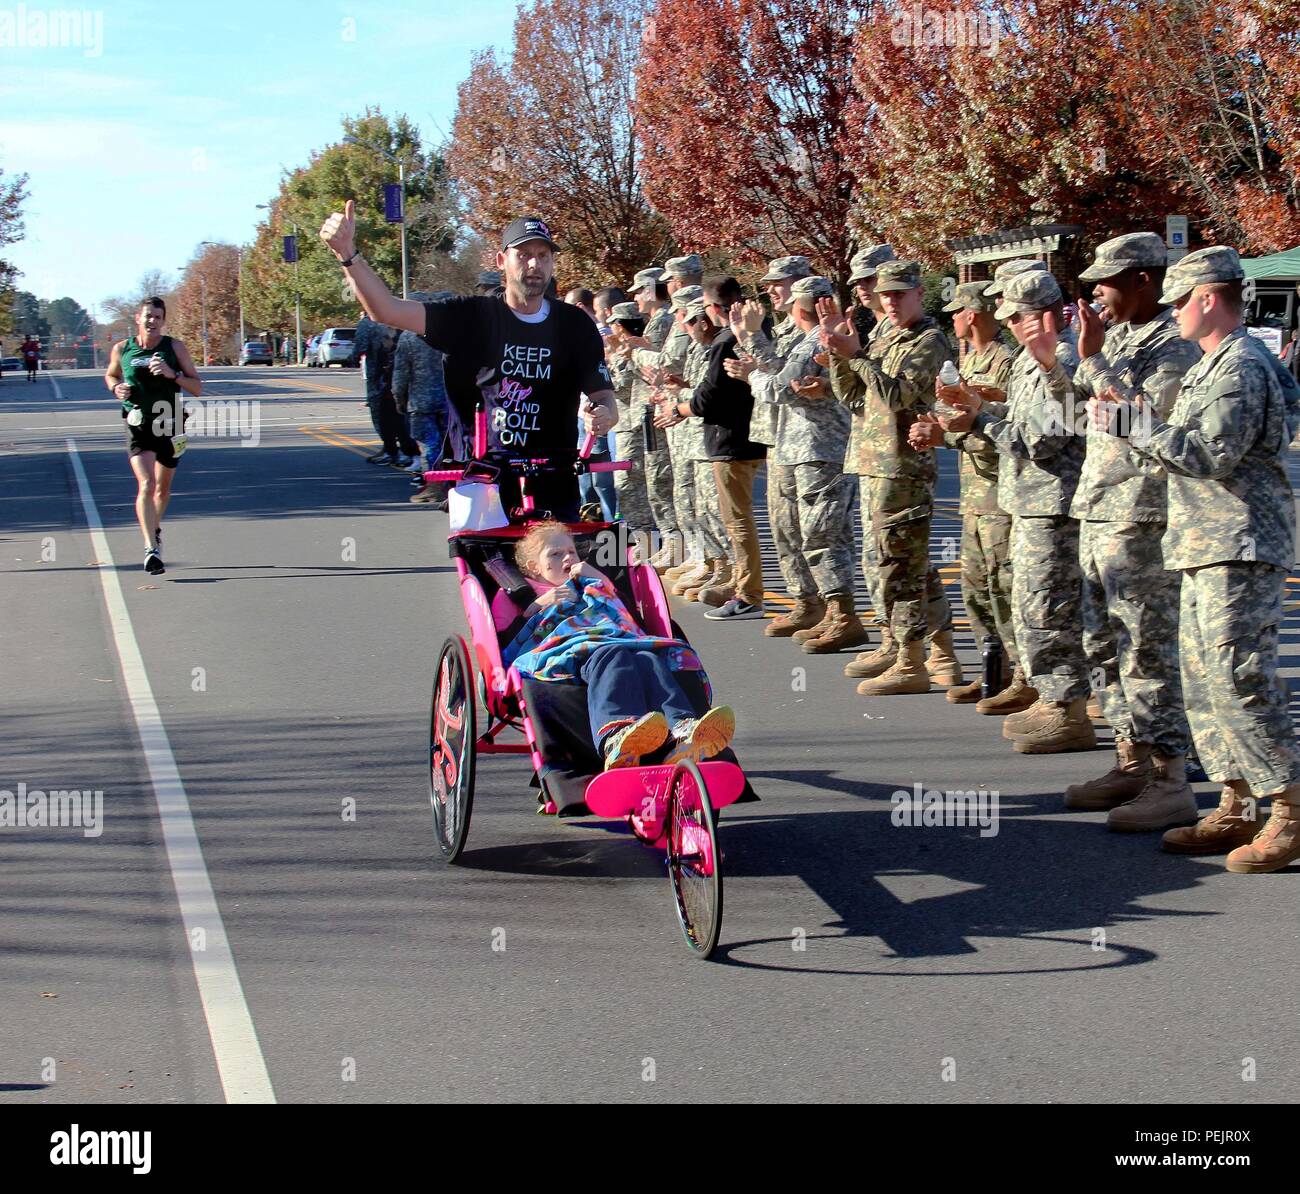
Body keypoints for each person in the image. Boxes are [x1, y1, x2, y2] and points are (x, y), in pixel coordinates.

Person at [1090, 246, 1300, 873]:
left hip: (1238, 543)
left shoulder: (1238, 366)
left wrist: (1133, 425)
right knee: (1206, 684)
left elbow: (1211, 454)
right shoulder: (1218, 364)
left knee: (1239, 676)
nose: (1174, 311)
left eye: (1180, 300)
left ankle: (1287, 806)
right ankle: (1236, 799)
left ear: (1209, 298)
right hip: (1205, 543)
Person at [319, 205, 616, 520]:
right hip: (482, 478)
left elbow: (604, 398)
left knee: (561, 567)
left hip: (553, 478)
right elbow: (387, 310)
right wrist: (348, 253)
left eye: (543, 255)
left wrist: (602, 416)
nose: (534, 264)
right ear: (502, 261)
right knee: (487, 569)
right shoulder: (471, 315)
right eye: (524, 254)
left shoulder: (574, 325)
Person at [1066, 232, 1203, 830]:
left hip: (1142, 515)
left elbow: (1148, 421)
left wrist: (1093, 360)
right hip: (1099, 507)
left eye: (1109, 278)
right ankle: (1131, 758)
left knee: (1146, 647)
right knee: (1103, 645)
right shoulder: (1116, 338)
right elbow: (1073, 409)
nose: (1098, 289)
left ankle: (1171, 776)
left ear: (1144, 280)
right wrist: (1076, 358)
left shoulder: (1173, 347)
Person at [940, 269, 1091, 749]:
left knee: (1052, 607)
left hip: (1054, 500)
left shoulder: (1060, 358)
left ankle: (1069, 712)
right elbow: (1023, 419)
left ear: (1044, 316)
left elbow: (1043, 441)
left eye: (1018, 317)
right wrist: (980, 407)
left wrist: (978, 420)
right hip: (1028, 498)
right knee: (1031, 606)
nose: (1009, 325)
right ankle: (1051, 697)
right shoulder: (1034, 360)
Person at [820, 260, 958, 694]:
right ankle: (938, 651)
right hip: (874, 460)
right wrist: (839, 356)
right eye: (885, 295)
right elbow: (855, 399)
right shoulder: (884, 335)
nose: (892, 301)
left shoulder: (930, 341)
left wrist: (856, 356)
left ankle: (911, 659)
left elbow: (900, 396)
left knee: (898, 566)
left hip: (904, 466)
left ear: (920, 293)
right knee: (904, 562)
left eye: (900, 293)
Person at [497, 521, 736, 769]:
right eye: (556, 554)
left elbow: (625, 618)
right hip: (564, 650)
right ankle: (615, 736)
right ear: (533, 567)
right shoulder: (520, 594)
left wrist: (601, 582)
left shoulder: (594, 584)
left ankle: (682, 730)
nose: (567, 558)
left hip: (615, 640)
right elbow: (508, 644)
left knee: (650, 658)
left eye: (571, 552)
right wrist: (537, 607)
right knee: (612, 653)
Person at [735, 275, 863, 652]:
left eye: (787, 293)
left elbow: (777, 387)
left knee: (823, 534)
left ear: (802, 304)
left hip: (821, 449)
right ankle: (815, 605)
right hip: (797, 446)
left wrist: (753, 370)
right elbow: (781, 376)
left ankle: (843, 615)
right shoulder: (806, 339)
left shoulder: (815, 340)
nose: (779, 296)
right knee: (797, 531)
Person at [912, 279, 1022, 707]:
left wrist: (943, 436)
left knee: (1004, 588)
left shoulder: (1005, 362)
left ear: (971, 314)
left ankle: (1021, 677)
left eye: (957, 311)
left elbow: (1003, 432)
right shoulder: (969, 358)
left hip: (998, 490)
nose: (953, 318)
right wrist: (935, 426)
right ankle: (992, 674)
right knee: (976, 590)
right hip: (973, 494)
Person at [670, 275, 768, 621]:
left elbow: (710, 396)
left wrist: (678, 408)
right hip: (745, 438)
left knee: (737, 522)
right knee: (740, 520)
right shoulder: (748, 335)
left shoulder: (727, 339)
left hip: (731, 441)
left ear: (712, 309)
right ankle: (743, 585)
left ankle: (749, 594)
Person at [103, 297, 201, 574]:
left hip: (170, 423)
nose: (152, 321)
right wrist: (116, 388)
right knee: (146, 484)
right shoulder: (122, 348)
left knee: (162, 488)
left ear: (163, 320)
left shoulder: (174, 348)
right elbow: (111, 375)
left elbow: (197, 387)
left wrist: (172, 375)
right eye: (148, 316)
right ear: (138, 318)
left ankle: (154, 528)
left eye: (157, 317)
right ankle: (151, 548)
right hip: (138, 423)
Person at [395, 291, 453, 508]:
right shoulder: (448, 333)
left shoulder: (409, 337)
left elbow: (401, 373)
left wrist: (399, 398)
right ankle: (450, 483)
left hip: (421, 402)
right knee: (449, 444)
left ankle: (436, 486)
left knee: (429, 445)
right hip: (448, 399)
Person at [351, 318, 417, 467]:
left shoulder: (368, 323)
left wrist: (354, 358)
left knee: (384, 416)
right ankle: (399, 450)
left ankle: (393, 450)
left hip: (381, 377)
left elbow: (360, 348)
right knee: (399, 415)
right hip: (401, 378)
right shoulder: (407, 322)